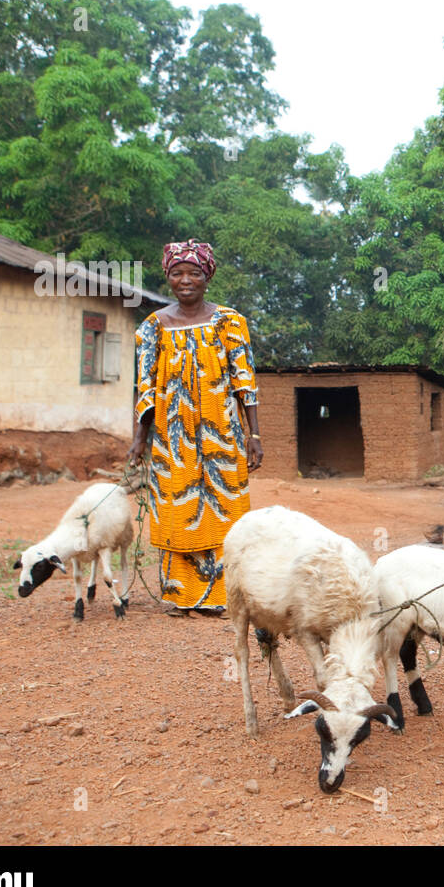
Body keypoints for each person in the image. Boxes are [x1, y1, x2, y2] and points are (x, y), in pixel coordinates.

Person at [126, 239, 263, 615]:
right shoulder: (153, 327)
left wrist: (254, 435)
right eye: (177, 273)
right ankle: (180, 595)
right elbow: (144, 387)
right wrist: (139, 439)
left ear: (208, 276)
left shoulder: (229, 322)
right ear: (168, 277)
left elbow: (244, 381)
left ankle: (227, 595)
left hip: (221, 431)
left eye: (194, 273)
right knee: (176, 505)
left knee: (224, 506)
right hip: (172, 437)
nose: (185, 280)